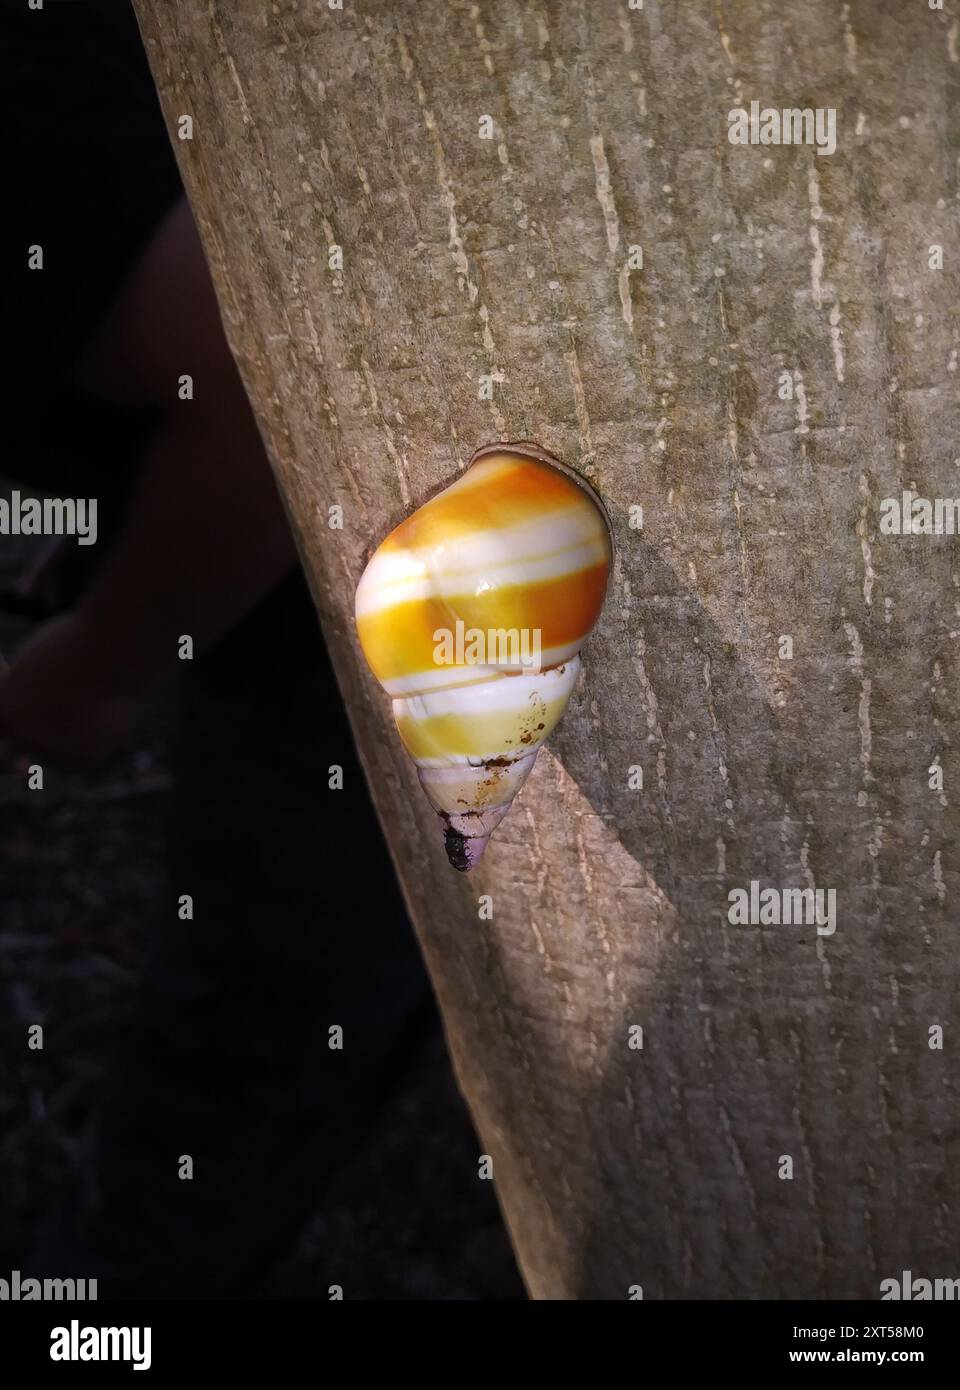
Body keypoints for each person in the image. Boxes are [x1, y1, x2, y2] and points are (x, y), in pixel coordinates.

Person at [2, 0, 434, 1296]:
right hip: (368, 350)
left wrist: (104, 663)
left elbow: (263, 372)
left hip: (412, 476)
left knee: (276, 974)